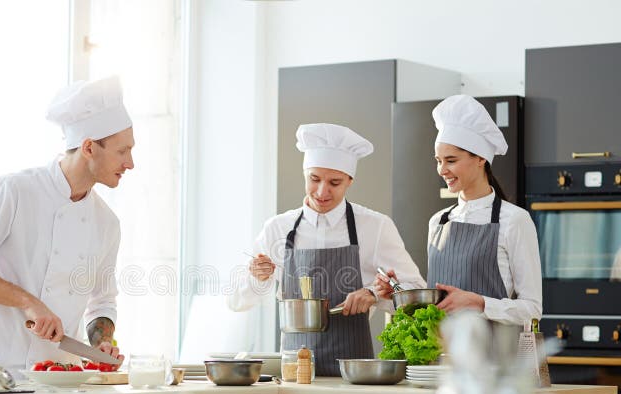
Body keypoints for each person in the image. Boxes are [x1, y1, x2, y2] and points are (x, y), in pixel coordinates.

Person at [0, 76, 134, 375]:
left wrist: (102, 342)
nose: (130, 163)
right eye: (122, 151)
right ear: (88, 147)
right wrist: (29, 302)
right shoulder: (14, 192)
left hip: (57, 379)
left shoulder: (107, 223)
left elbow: (102, 302)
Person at [227, 123, 425, 376]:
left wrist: (375, 295)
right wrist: (258, 278)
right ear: (304, 174)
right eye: (314, 179)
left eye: (334, 182)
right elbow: (236, 301)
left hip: (354, 376)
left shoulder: (375, 227)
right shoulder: (277, 228)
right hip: (295, 377)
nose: (322, 191)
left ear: (350, 181)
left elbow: (416, 295)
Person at [376, 95, 542, 325]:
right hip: (440, 346)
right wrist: (397, 294)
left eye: (451, 160)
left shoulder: (514, 220)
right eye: (438, 160)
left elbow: (532, 310)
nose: (442, 170)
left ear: (480, 158)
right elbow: (437, 305)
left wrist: (479, 303)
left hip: (491, 348)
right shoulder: (438, 222)